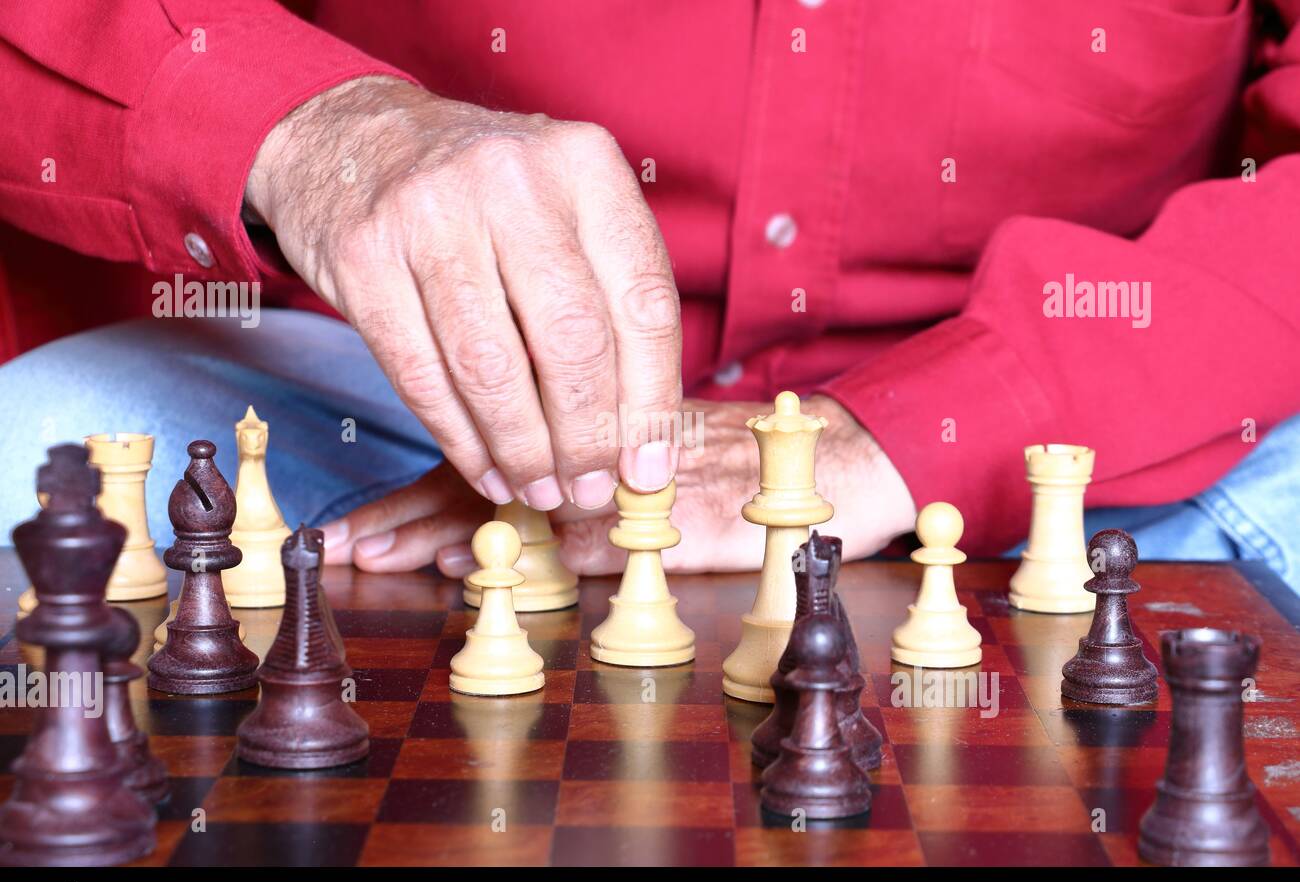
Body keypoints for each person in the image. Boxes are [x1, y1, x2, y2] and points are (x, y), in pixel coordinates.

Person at [1, 1, 1298, 590]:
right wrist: (313, 134)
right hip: (420, 423)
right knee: (41, 437)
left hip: (1119, 445)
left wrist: (943, 419)